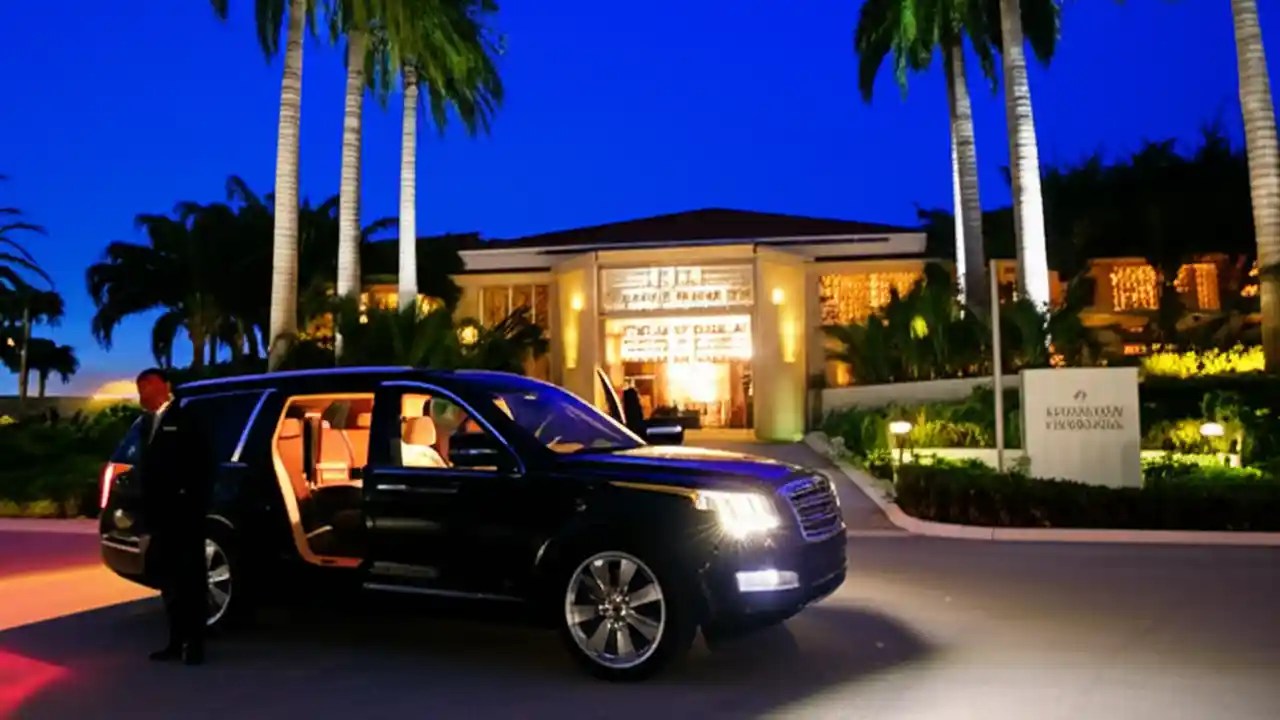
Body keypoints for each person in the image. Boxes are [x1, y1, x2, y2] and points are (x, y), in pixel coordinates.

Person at [135, 368, 212, 666]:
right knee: (168, 581)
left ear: (166, 386)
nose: (143, 392)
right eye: (140, 387)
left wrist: (193, 503)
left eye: (148, 386)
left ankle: (195, 645)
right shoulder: (146, 424)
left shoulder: (187, 418)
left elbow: (203, 465)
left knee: (191, 581)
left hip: (185, 517)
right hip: (159, 518)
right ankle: (174, 640)